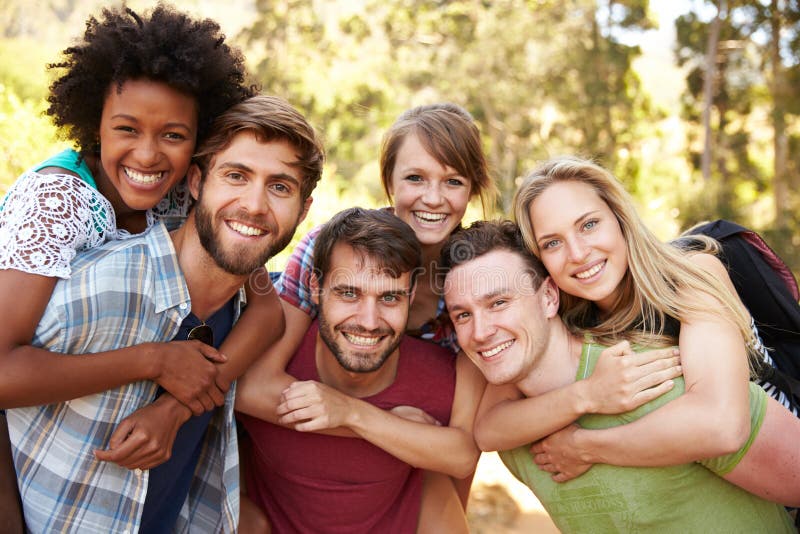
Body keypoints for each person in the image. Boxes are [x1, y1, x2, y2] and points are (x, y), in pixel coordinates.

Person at [0, 5, 273, 530]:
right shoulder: (56, 202)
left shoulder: (180, 197)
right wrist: (153, 360)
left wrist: (177, 406)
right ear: (94, 125)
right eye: (126, 128)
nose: (147, 156)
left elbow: (265, 311)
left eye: (173, 135)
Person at [440, 219, 796, 532]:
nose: (480, 332)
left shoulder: (658, 377)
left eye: (499, 303)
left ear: (548, 297)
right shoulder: (514, 437)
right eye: (463, 315)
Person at [504, 156, 799, 505]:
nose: (578, 253)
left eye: (589, 225)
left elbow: (721, 424)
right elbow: (491, 425)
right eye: (552, 243)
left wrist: (584, 447)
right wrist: (586, 394)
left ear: (620, 218)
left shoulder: (692, 273)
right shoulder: (569, 325)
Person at [235, 207, 483, 533]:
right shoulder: (275, 362)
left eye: (390, 298)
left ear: (411, 297)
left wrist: (350, 412)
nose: (368, 321)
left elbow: (461, 460)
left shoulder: (440, 382)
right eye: (349, 293)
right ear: (315, 287)